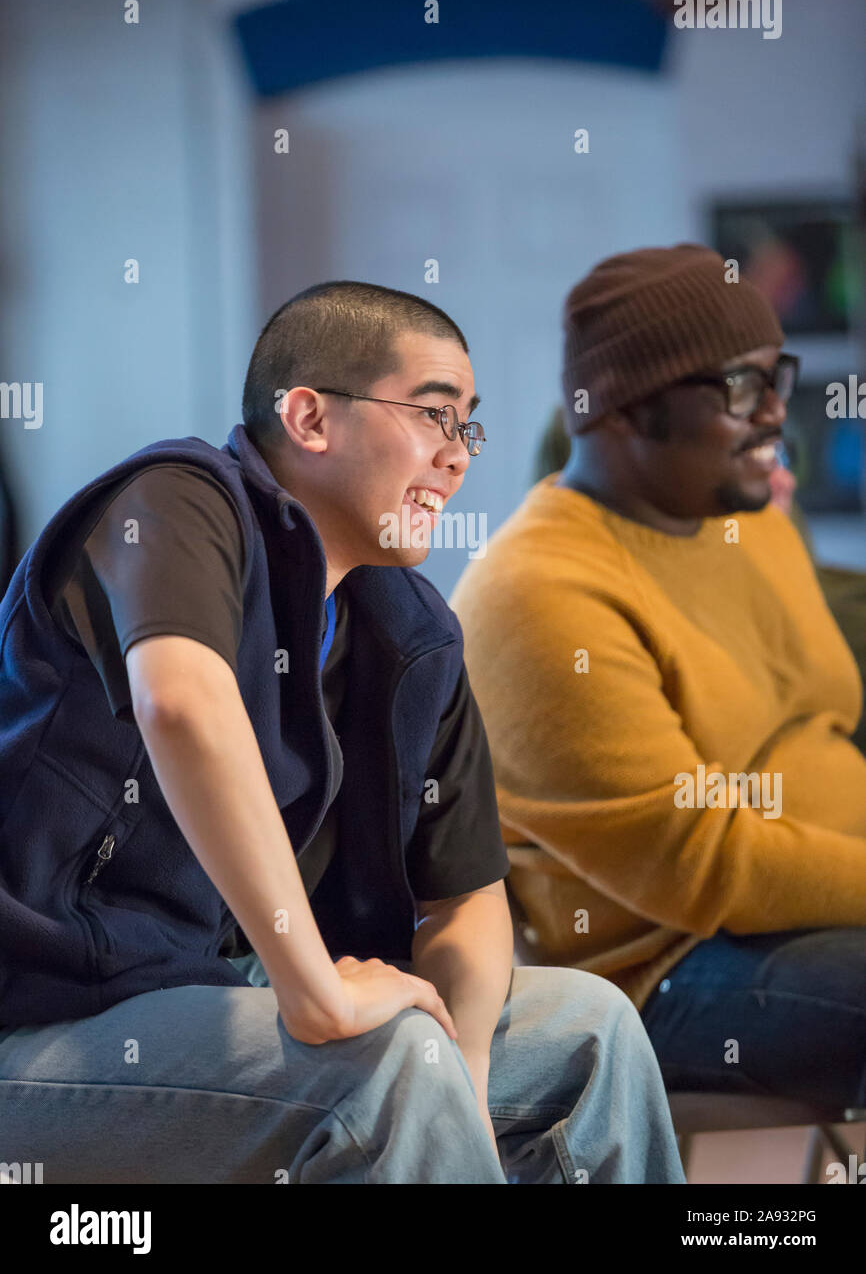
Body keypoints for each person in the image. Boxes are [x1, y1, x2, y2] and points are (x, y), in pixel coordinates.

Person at [0, 281, 684, 1184]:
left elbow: (467, 898)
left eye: (469, 429)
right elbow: (183, 703)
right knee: (389, 1060)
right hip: (41, 1023)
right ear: (311, 418)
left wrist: (466, 1075)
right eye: (436, 415)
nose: (458, 457)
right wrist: (314, 990)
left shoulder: (409, 630)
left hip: (198, 1003)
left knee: (590, 1030)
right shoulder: (176, 500)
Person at [450, 246, 866, 1111]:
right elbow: (701, 863)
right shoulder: (537, 591)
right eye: (743, 389)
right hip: (672, 967)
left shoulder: (744, 522)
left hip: (812, 908)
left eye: (776, 378)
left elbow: (826, 725)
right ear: (628, 412)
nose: (778, 415)